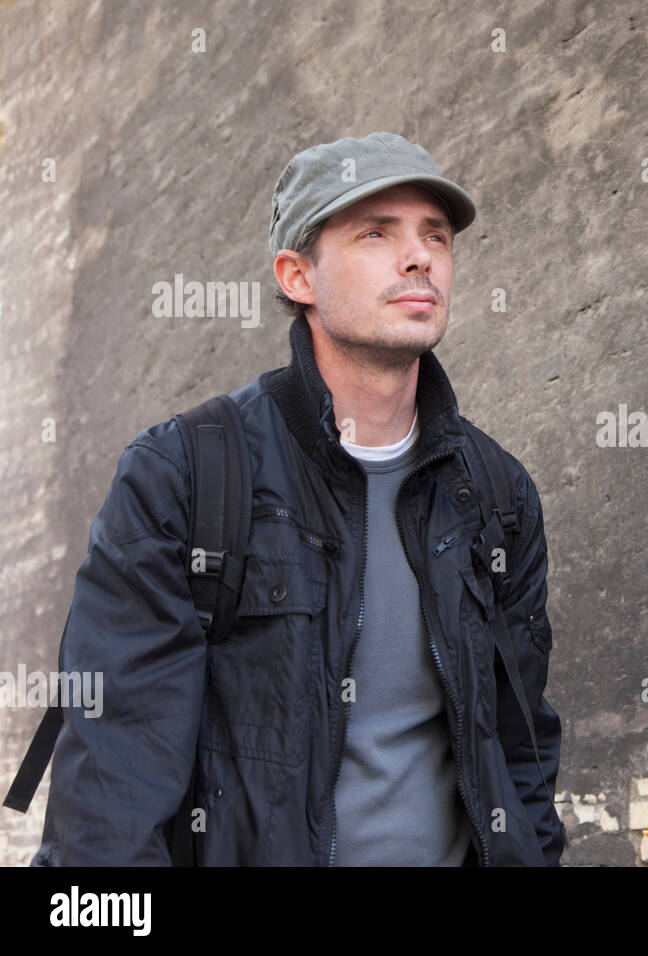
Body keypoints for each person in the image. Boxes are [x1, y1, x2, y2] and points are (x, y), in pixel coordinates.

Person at [27, 131, 564, 866]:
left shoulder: (496, 494)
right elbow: (110, 797)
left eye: (434, 235)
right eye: (376, 233)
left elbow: (520, 748)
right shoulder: (184, 476)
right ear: (298, 275)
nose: (420, 257)